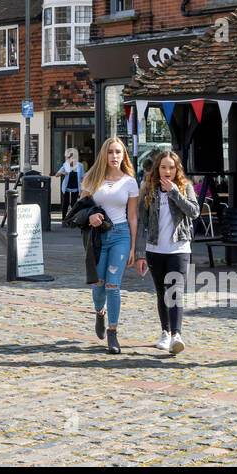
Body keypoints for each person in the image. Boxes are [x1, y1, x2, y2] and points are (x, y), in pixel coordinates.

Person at [80, 137, 142, 355]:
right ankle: (100, 312)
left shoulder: (130, 182)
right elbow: (80, 210)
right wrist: (90, 217)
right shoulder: (90, 179)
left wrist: (134, 247)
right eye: (110, 152)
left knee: (112, 286)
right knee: (98, 285)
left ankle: (113, 333)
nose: (114, 156)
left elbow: (133, 216)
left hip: (121, 236)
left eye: (118, 152)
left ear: (124, 155)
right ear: (104, 155)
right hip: (97, 238)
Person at [136, 149, 199, 355]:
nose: (167, 171)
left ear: (177, 169)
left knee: (175, 292)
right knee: (162, 293)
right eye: (163, 167)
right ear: (157, 168)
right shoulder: (149, 189)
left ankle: (176, 335)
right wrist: (139, 253)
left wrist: (174, 192)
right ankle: (165, 332)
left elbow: (194, 211)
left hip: (179, 248)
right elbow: (141, 222)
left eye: (171, 167)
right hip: (155, 249)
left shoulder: (185, 187)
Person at [53, 149, 87, 225]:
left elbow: (82, 177)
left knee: (74, 204)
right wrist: (62, 173)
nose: (73, 160)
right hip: (67, 188)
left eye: (74, 158)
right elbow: (56, 175)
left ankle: (74, 219)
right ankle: (64, 218)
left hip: (75, 188)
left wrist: (84, 186)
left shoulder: (80, 166)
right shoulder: (66, 165)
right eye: (71, 158)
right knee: (65, 203)